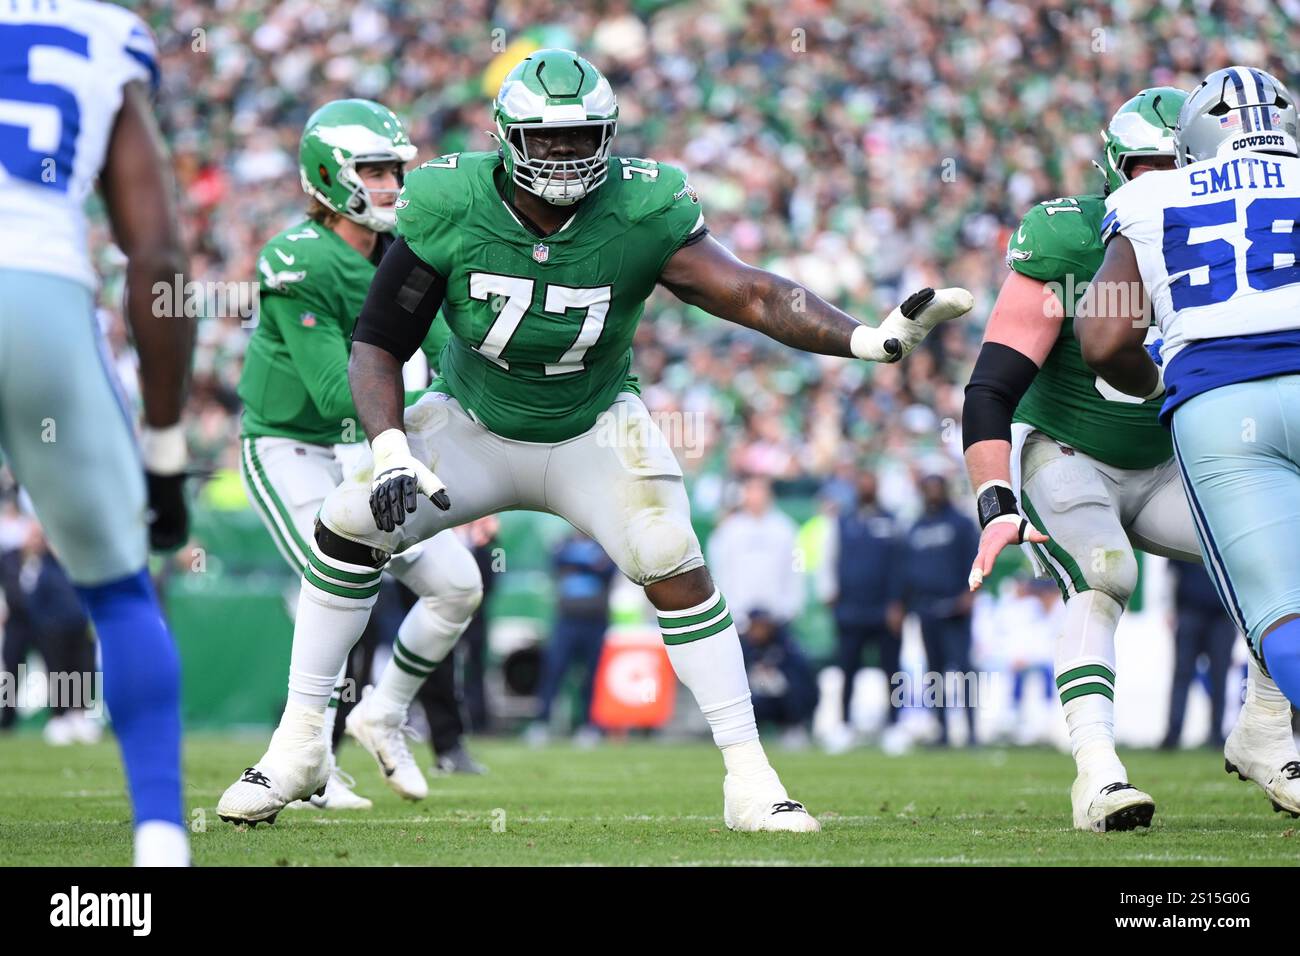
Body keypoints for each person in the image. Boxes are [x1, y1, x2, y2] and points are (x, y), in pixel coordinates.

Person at [219, 48, 974, 832]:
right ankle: (301, 742)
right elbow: (377, 338)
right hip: (472, 421)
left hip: (592, 426)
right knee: (348, 525)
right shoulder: (450, 200)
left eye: (581, 137)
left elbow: (751, 291)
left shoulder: (644, 205)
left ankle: (750, 778)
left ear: (608, 134)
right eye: (546, 140)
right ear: (508, 137)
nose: (564, 155)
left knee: (672, 562)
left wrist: (864, 341)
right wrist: (388, 451)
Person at [964, 86, 1300, 831]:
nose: (1154, 182)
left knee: (1277, 569)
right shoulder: (1074, 241)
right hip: (1073, 456)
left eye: (1166, 164)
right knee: (1105, 572)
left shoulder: (1232, 229)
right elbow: (991, 386)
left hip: (1179, 462)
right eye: (1140, 166)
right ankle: (1098, 773)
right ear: (1114, 170)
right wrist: (995, 502)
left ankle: (1265, 734)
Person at [232, 98, 485, 811]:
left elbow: (450, 358)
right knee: (341, 581)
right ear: (329, 176)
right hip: (290, 447)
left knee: (458, 586)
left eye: (394, 169)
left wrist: (476, 457)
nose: (389, 184)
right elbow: (330, 390)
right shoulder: (297, 258)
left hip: (371, 447)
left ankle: (383, 711)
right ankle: (303, 765)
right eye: (372, 169)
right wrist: (412, 392)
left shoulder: (408, 248)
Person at [0, 0, 193, 865]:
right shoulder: (100, 31)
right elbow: (156, 259)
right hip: (35, 294)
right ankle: (158, 841)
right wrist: (164, 443)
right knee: (119, 589)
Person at [1078, 70, 1300, 817]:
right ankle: (1264, 735)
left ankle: (1267, 731)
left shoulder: (1146, 196)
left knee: (1279, 613)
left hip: (1218, 401)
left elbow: (1104, 337)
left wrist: (1154, 380)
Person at [818, 470, 904, 752]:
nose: (866, 487)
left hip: (883, 610)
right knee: (848, 669)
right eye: (862, 482)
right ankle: (843, 725)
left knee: (892, 669)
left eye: (871, 482)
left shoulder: (891, 521)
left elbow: (899, 565)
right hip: (851, 609)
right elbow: (829, 559)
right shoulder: (842, 521)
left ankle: (894, 725)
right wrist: (830, 594)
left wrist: (897, 602)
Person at [900, 474, 980, 745]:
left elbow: (977, 559)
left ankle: (971, 731)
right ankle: (941, 730)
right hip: (927, 608)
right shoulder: (916, 527)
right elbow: (907, 571)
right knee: (934, 673)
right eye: (928, 488)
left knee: (965, 669)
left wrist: (970, 594)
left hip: (956, 607)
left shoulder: (961, 523)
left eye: (937, 488)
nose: (933, 493)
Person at [527, 532, 617, 744]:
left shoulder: (604, 545)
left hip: (595, 621)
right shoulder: (564, 543)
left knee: (591, 676)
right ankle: (541, 723)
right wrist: (588, 564)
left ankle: (590, 726)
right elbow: (557, 562)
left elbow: (608, 571)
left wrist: (577, 564)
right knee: (554, 671)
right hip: (567, 620)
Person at [707, 475, 803, 631]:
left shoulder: (786, 529)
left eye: (761, 489)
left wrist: (790, 606)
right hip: (738, 617)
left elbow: (797, 567)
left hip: (777, 616)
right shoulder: (728, 530)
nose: (756, 495)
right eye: (752, 489)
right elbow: (719, 569)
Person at [1162, 563, 1236, 750]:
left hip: (1222, 616)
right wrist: (1169, 610)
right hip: (1189, 612)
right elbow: (1172, 573)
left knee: (1220, 677)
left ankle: (1216, 735)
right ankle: (1173, 735)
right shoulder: (1185, 533)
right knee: (1182, 676)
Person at [740, 608, 819, 747]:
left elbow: (801, 678)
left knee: (794, 692)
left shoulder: (786, 645)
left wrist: (778, 676)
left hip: (787, 698)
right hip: (761, 696)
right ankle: (745, 736)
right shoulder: (746, 646)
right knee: (747, 701)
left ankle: (794, 728)